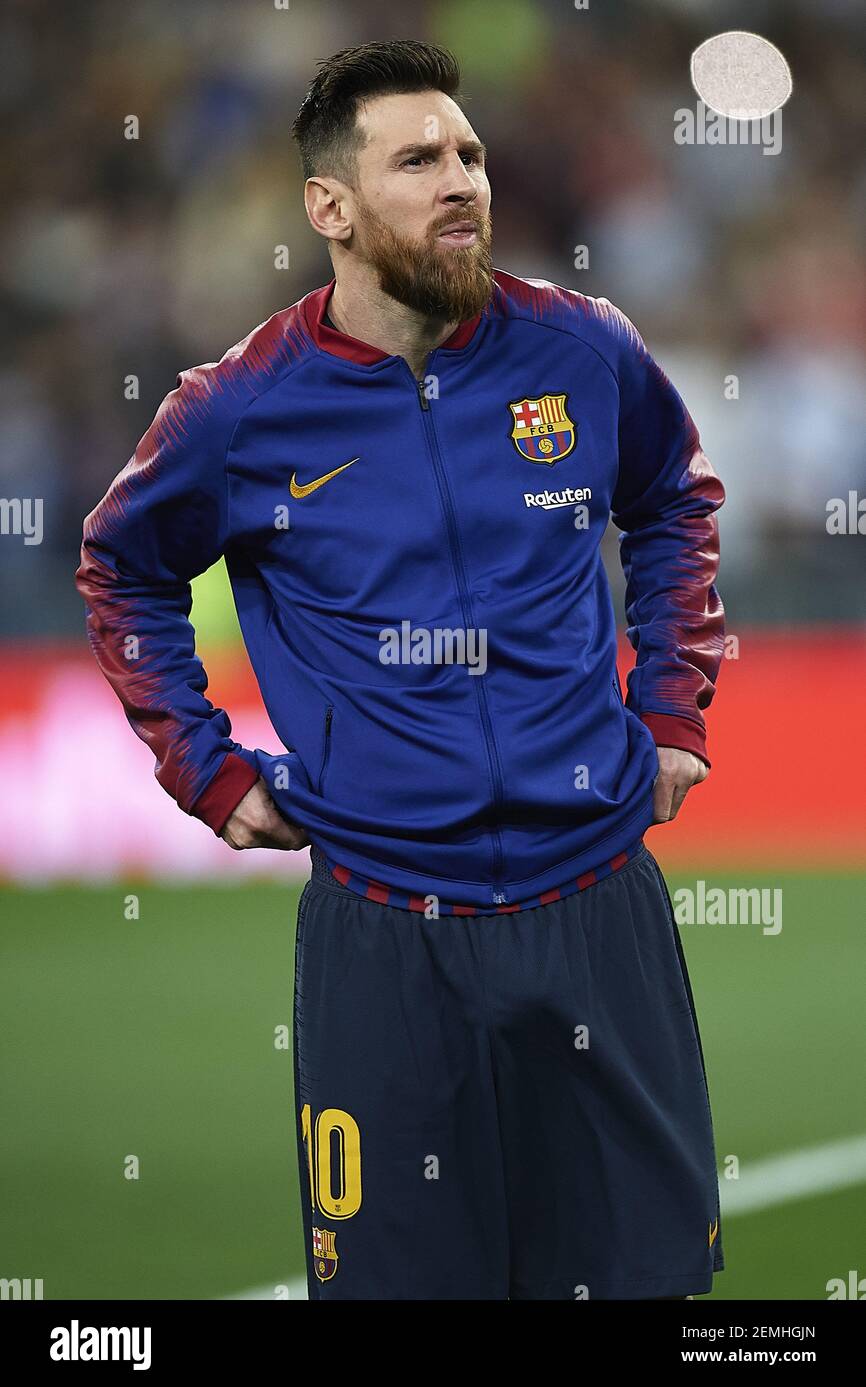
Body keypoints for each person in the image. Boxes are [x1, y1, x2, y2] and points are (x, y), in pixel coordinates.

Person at [76, 39, 726, 1300]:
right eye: (417, 159)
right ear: (329, 206)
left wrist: (673, 707)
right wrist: (202, 770)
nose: (460, 182)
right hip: (386, 937)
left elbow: (673, 500)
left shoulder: (580, 350)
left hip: (595, 907)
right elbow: (120, 566)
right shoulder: (240, 409)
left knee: (650, 1291)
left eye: (468, 154)